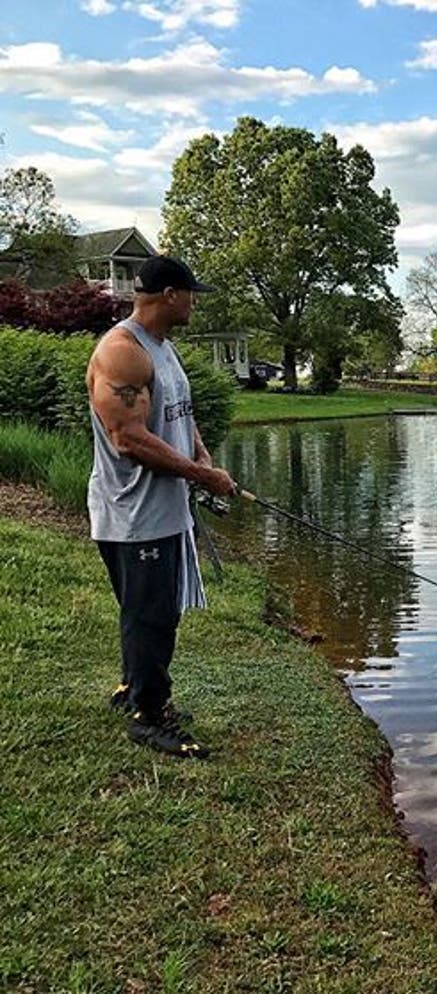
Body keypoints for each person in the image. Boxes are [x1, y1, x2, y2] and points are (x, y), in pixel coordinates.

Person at [86, 255, 236, 759]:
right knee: (151, 616)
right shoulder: (121, 352)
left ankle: (133, 688)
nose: (195, 303)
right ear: (170, 295)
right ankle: (149, 716)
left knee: (151, 610)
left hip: (163, 511)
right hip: (133, 514)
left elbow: (178, 412)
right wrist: (201, 476)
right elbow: (129, 439)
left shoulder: (163, 348)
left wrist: (200, 454)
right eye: (191, 294)